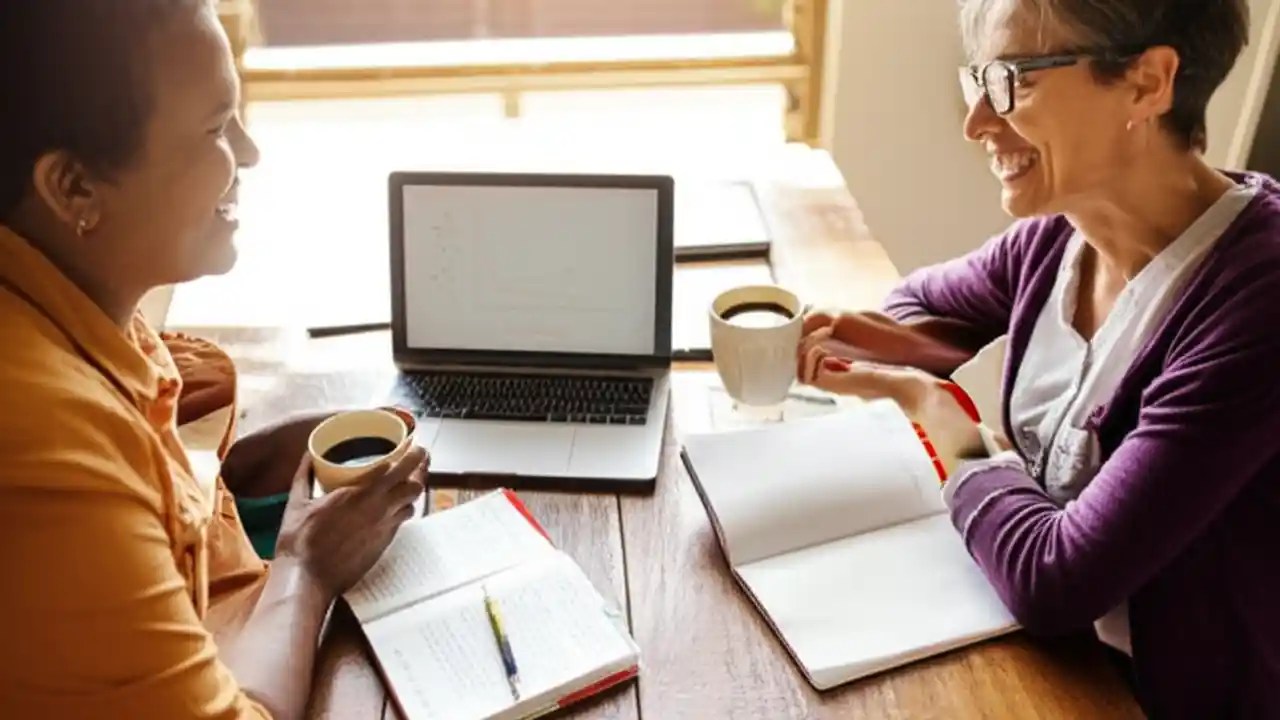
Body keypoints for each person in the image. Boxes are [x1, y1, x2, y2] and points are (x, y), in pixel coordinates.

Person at [797, 0, 1279, 716]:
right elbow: (914, 304)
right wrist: (912, 349)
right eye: (979, 80)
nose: (977, 124)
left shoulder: (1256, 306)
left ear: (1148, 83)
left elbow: (1056, 579)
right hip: (1041, 654)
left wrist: (942, 416)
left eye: (1013, 80)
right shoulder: (1061, 238)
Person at [0, 2, 427, 718]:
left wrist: (248, 474)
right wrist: (306, 566)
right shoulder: (43, 448)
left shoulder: (85, 303)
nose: (250, 152)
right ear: (73, 187)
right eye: (215, 128)